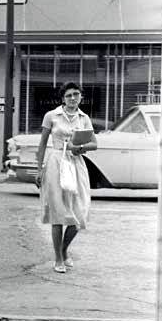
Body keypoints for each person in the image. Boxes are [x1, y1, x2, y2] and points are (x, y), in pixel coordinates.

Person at [34, 82, 97, 273]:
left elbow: (94, 143)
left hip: (76, 165)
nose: (72, 98)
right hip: (55, 164)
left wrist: (81, 148)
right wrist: (39, 169)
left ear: (81, 97)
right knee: (58, 211)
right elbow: (43, 144)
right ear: (63, 98)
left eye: (76, 94)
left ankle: (64, 248)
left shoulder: (84, 118)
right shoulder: (51, 116)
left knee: (79, 213)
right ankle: (58, 258)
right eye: (68, 95)